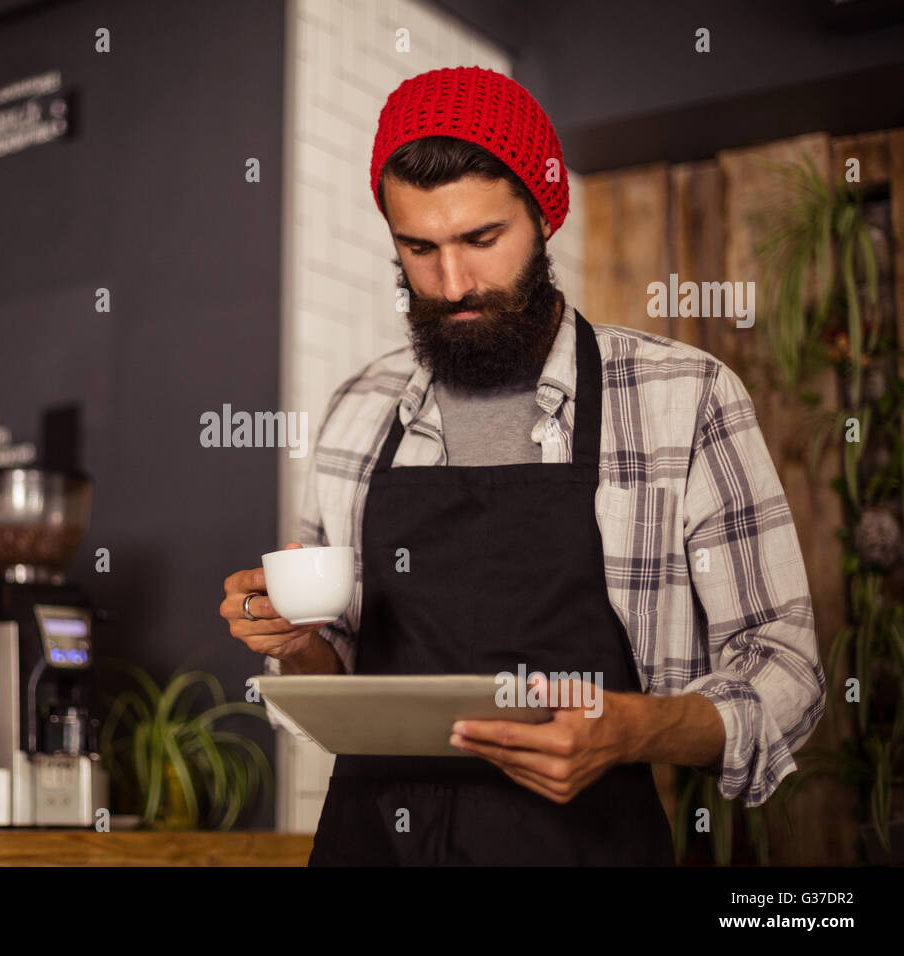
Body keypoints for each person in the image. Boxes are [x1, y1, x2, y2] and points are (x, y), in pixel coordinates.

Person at [219, 66, 825, 866]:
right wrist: (294, 644)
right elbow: (330, 665)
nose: (453, 283)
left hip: (585, 844)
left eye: (481, 239)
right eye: (418, 248)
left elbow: (787, 667)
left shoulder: (684, 397)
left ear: (544, 216)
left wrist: (634, 728)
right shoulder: (357, 412)